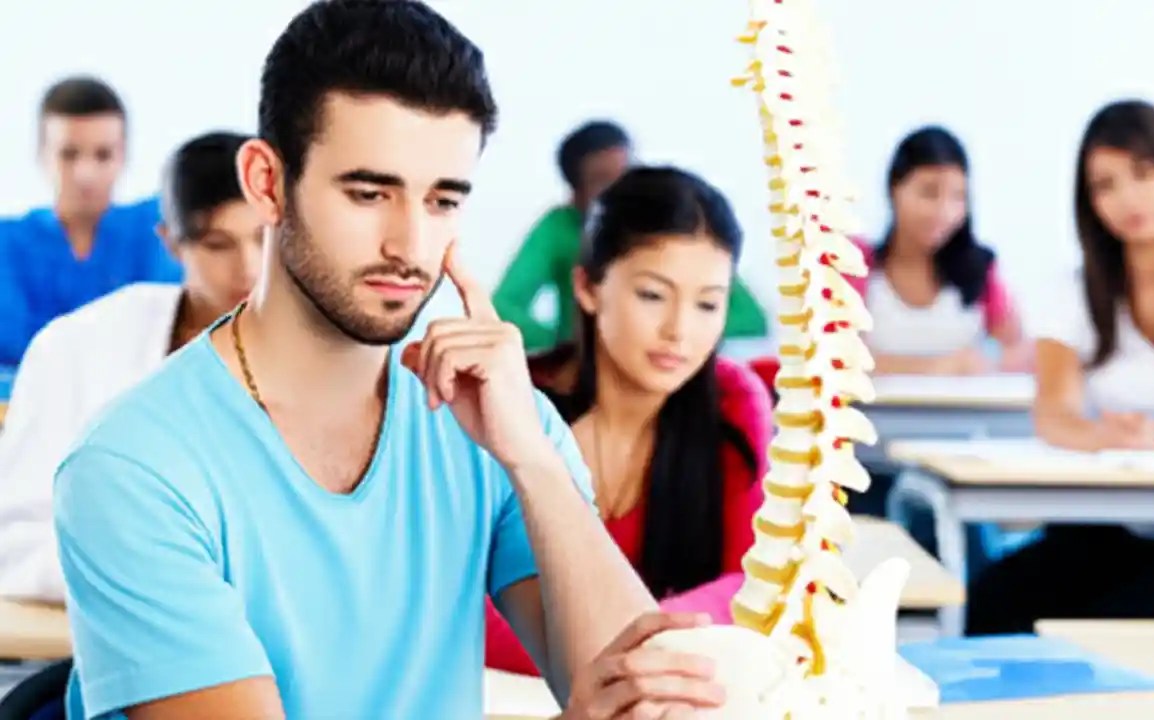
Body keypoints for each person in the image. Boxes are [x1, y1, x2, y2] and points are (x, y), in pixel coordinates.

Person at [52, 3, 724, 719]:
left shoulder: (492, 418)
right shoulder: (131, 470)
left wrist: (531, 457)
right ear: (266, 181)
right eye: (369, 193)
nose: (410, 244)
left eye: (443, 201)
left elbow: (645, 696)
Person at [966, 99, 1154, 634]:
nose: (1128, 198)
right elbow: (1054, 415)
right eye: (1105, 185)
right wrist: (1101, 434)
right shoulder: (1072, 293)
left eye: (1142, 173)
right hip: (1101, 526)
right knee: (996, 597)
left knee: (1136, 618)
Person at [486, 166, 773, 675]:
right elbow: (468, 614)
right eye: (653, 296)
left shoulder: (732, 400)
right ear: (588, 288)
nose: (679, 331)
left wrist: (628, 642)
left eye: (708, 303)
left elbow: (752, 585)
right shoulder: (510, 406)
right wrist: (630, 645)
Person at [0, 131, 261, 603]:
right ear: (171, 243)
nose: (249, 267)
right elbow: (15, 541)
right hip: (114, 631)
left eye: (266, 239)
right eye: (217, 244)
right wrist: (146, 574)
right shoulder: (77, 348)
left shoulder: (342, 357)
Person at [493, 120, 770, 351]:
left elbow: (750, 319)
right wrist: (568, 344)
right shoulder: (558, 228)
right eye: (650, 294)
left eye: (629, 173)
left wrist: (686, 334)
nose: (622, 189)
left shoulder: (670, 224)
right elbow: (502, 307)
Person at [0, 76, 182, 366]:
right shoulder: (7, 244)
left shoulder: (158, 232)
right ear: (41, 154)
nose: (85, 173)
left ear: (124, 156)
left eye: (103, 155)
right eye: (68, 154)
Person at [849, 126, 1030, 375]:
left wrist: (987, 359)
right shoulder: (857, 266)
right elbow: (837, 360)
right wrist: (936, 367)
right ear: (894, 189)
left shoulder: (979, 269)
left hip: (966, 414)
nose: (944, 212)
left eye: (958, 197)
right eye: (929, 192)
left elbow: (1021, 352)